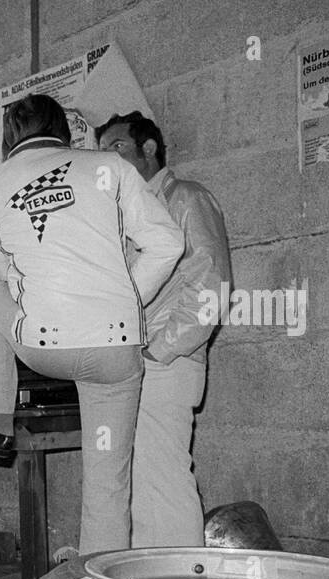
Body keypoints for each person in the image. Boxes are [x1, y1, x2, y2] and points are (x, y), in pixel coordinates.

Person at [0, 94, 183, 554]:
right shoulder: (111, 167)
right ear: (66, 132)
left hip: (43, 345)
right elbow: (168, 244)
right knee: (108, 483)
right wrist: (127, 301)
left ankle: (1, 416)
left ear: (9, 140)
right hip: (115, 347)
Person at [96, 112, 232, 547]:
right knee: (139, 484)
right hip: (136, 363)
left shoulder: (185, 198)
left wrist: (159, 350)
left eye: (116, 148)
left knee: (163, 480)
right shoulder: (130, 213)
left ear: (149, 148)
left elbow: (210, 284)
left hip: (165, 363)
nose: (108, 163)